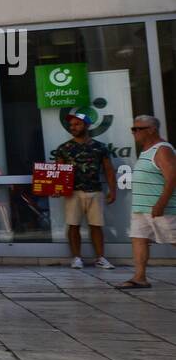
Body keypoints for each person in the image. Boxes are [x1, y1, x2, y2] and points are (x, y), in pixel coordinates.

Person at [51, 109, 117, 270]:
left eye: (77, 124)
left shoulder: (100, 147)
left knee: (96, 225)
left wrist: (113, 191)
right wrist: (55, 188)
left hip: (95, 190)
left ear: (86, 125)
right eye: (71, 124)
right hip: (72, 192)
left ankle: (100, 258)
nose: (73, 127)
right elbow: (58, 170)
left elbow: (108, 170)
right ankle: (77, 258)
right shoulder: (63, 148)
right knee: (73, 225)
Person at [119, 115, 176, 290]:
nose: (134, 132)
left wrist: (161, 204)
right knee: (139, 239)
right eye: (133, 129)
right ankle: (140, 277)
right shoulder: (147, 150)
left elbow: (172, 177)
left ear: (152, 129)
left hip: (161, 207)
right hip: (142, 207)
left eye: (138, 129)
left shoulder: (162, 149)